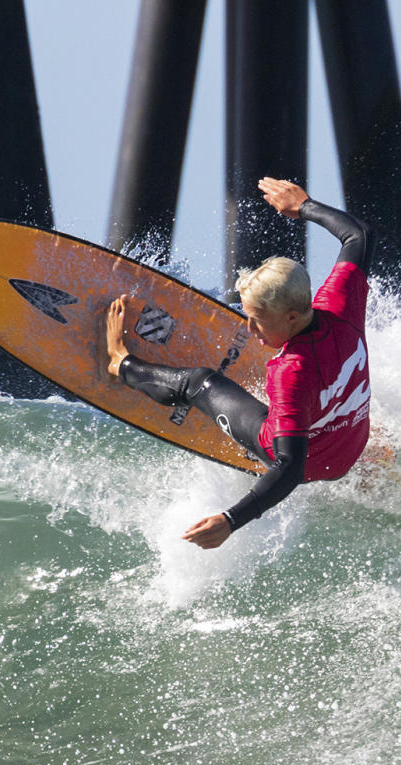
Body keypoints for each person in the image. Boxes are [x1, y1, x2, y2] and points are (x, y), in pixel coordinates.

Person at [103, 177, 377, 550]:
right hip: (353, 444)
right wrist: (305, 206)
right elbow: (358, 235)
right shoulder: (340, 303)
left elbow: (290, 467)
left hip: (316, 464)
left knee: (199, 381)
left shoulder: (291, 373)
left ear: (293, 316)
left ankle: (121, 364)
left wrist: (231, 520)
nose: (248, 329)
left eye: (258, 320)